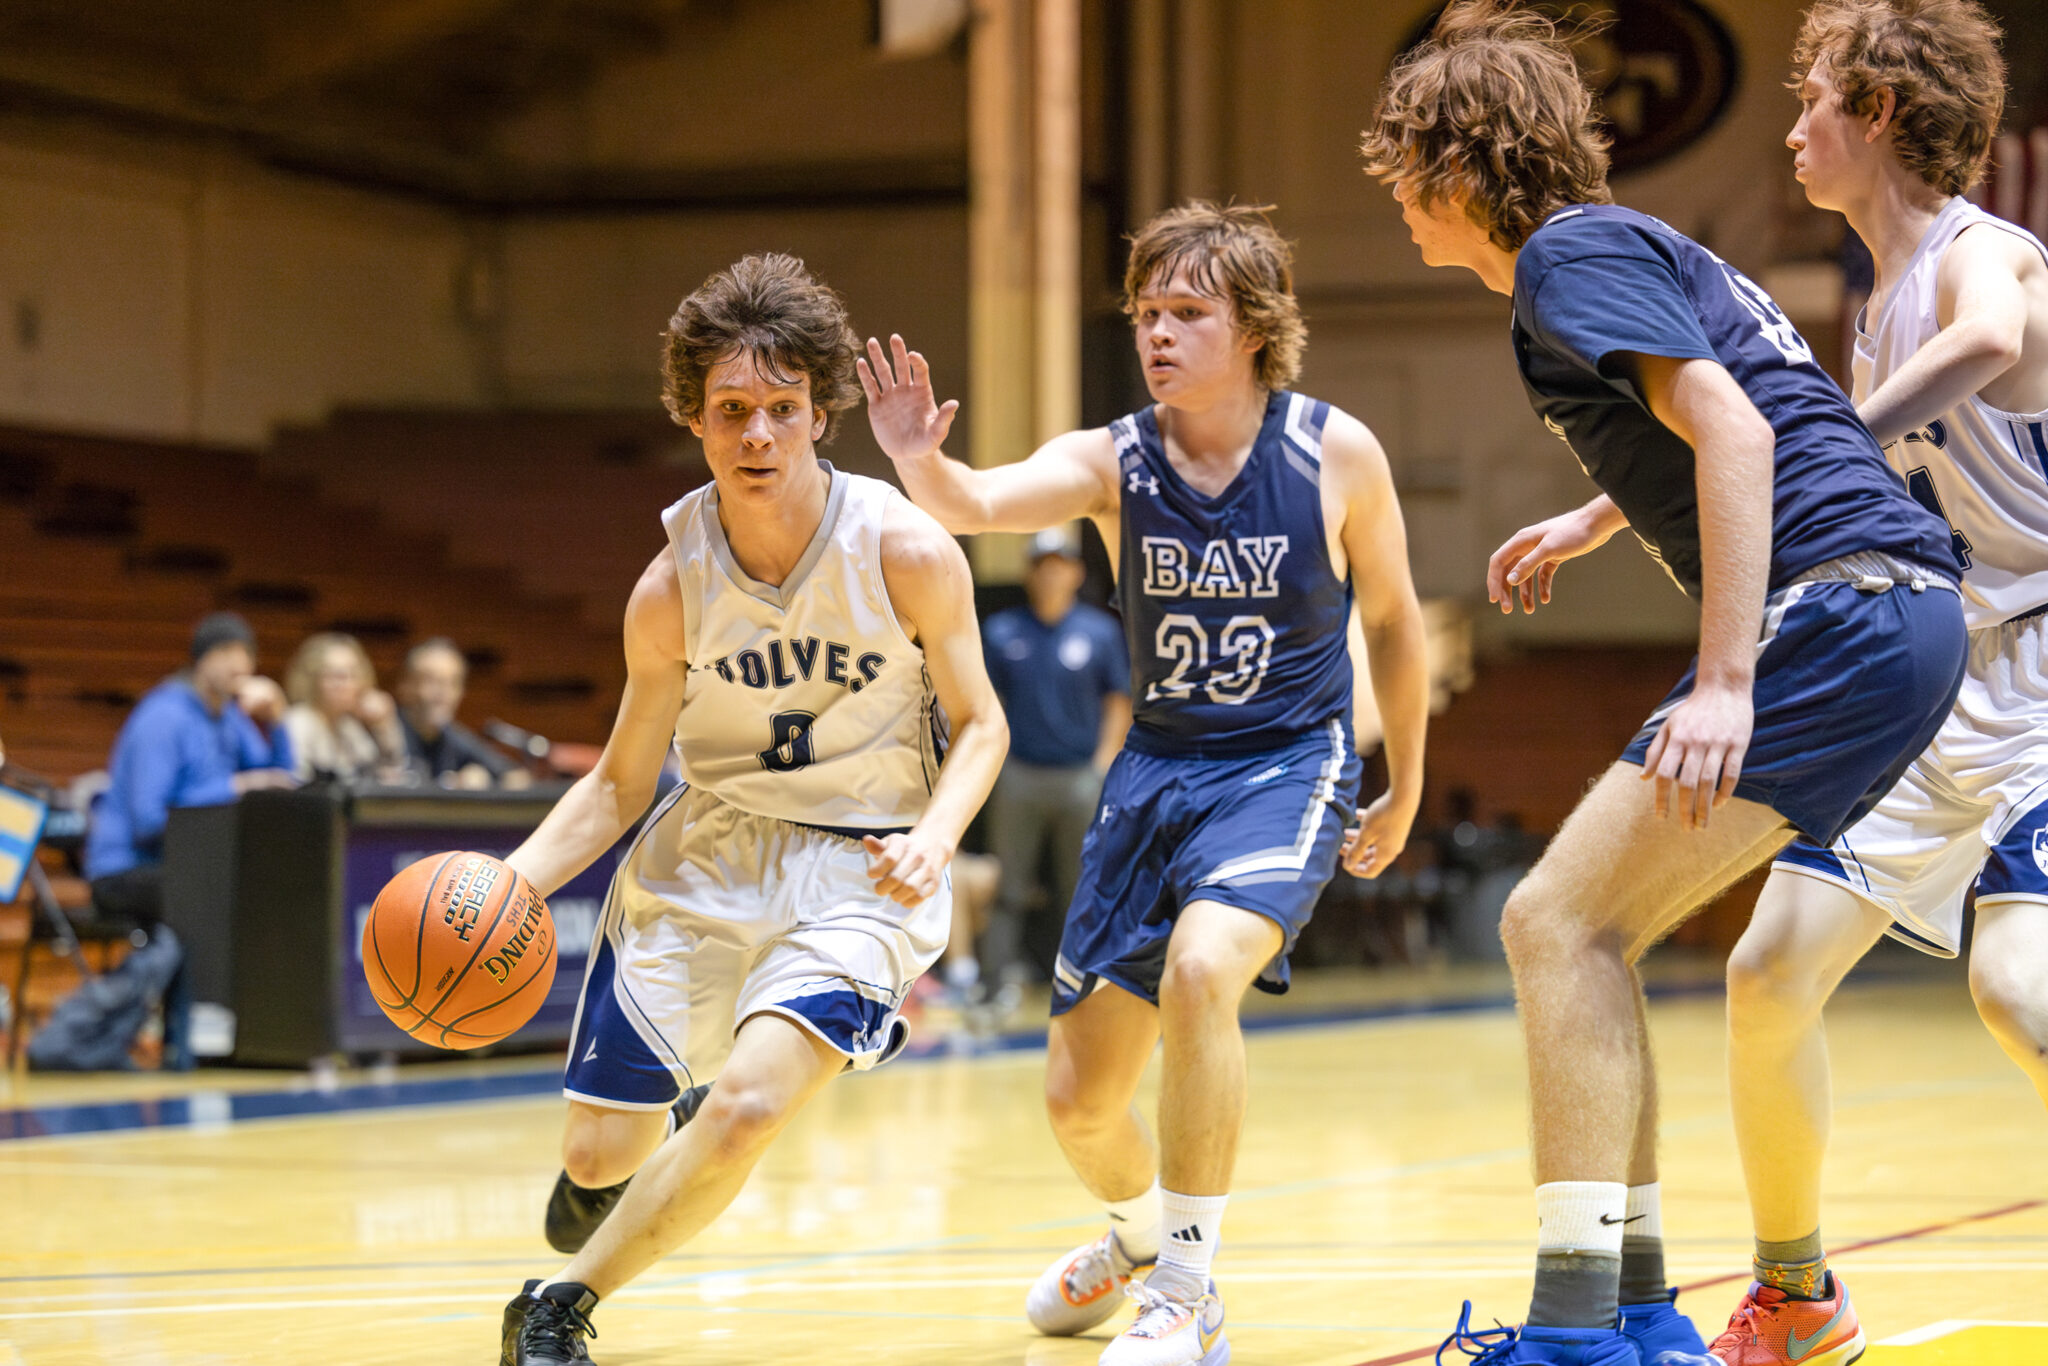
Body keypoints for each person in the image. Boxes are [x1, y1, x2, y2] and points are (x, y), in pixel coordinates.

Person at [1360, 4, 1969, 1363]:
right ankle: (1637, 1315)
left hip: (1844, 611)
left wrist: (1725, 679)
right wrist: (1599, 517)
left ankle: (1580, 1335)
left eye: (1406, 162)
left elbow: (1740, 427)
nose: (1397, 195)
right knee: (1591, 931)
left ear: (1461, 166)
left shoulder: (1564, 260)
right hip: (1902, 610)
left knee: (1549, 923)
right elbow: (1749, 402)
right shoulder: (1618, 254)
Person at [863, 200, 1430, 1366]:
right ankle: (1129, 1242)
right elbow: (973, 504)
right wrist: (921, 458)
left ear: (1255, 328)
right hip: (1155, 771)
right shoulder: (1111, 459)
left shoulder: (1335, 452)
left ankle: (1186, 1293)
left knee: (1200, 966)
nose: (1156, 335)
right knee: (1075, 1098)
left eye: (1185, 313)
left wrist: (1406, 785)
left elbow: (1395, 623)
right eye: (1145, 314)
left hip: (1285, 763)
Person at [495, 252, 1007, 1366]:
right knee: (594, 1157)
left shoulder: (905, 549)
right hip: (706, 855)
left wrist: (934, 835)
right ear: (693, 418)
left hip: (858, 870)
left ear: (821, 413)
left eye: (781, 409)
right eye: (731, 411)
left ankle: (557, 1305)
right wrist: (509, 887)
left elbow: (982, 725)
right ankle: (632, 1170)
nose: (758, 436)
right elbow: (622, 782)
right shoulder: (670, 585)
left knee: (744, 1108)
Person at [1713, 6, 2048, 1362]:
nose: (1793, 131)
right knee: (1765, 973)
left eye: (1813, 104)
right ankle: (1798, 1292)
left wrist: (1838, 436)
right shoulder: (1868, 305)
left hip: (2038, 681)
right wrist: (1594, 520)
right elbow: (1757, 437)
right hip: (1926, 693)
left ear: (1887, 111)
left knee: (2019, 994)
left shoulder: (1988, 252)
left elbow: (1982, 342)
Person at [82, 613, 296, 1069]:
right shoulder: (164, 716)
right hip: (125, 870)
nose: (239, 673)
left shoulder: (228, 718)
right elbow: (147, 818)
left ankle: (257, 1035)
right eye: (228, 661)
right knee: (212, 899)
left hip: (189, 868)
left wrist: (277, 722)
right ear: (203, 660)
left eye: (247, 664)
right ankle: (188, 1041)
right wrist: (234, 788)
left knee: (259, 892)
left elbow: (281, 780)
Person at [975, 524, 1131, 991]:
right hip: (1019, 774)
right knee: (1008, 885)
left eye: (1059, 566)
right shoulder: (1002, 632)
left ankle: (1080, 982)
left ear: (1076, 573)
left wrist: (1102, 764)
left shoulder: (1100, 633)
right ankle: (992, 986)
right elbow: (985, 702)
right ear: (1028, 574)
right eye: (1041, 567)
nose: (1050, 576)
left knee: (1081, 886)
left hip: (1080, 776)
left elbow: (1118, 702)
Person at [394, 637, 525, 789]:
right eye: (431, 681)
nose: (442, 694)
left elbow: (516, 776)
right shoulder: (383, 734)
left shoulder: (453, 736)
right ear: (405, 686)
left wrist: (484, 779)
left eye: (452, 683)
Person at [280, 633, 406, 784]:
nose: (344, 685)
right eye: (335, 676)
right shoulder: (298, 722)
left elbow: (389, 774)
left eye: (352, 675)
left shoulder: (348, 726)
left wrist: (384, 726)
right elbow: (295, 781)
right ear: (312, 679)